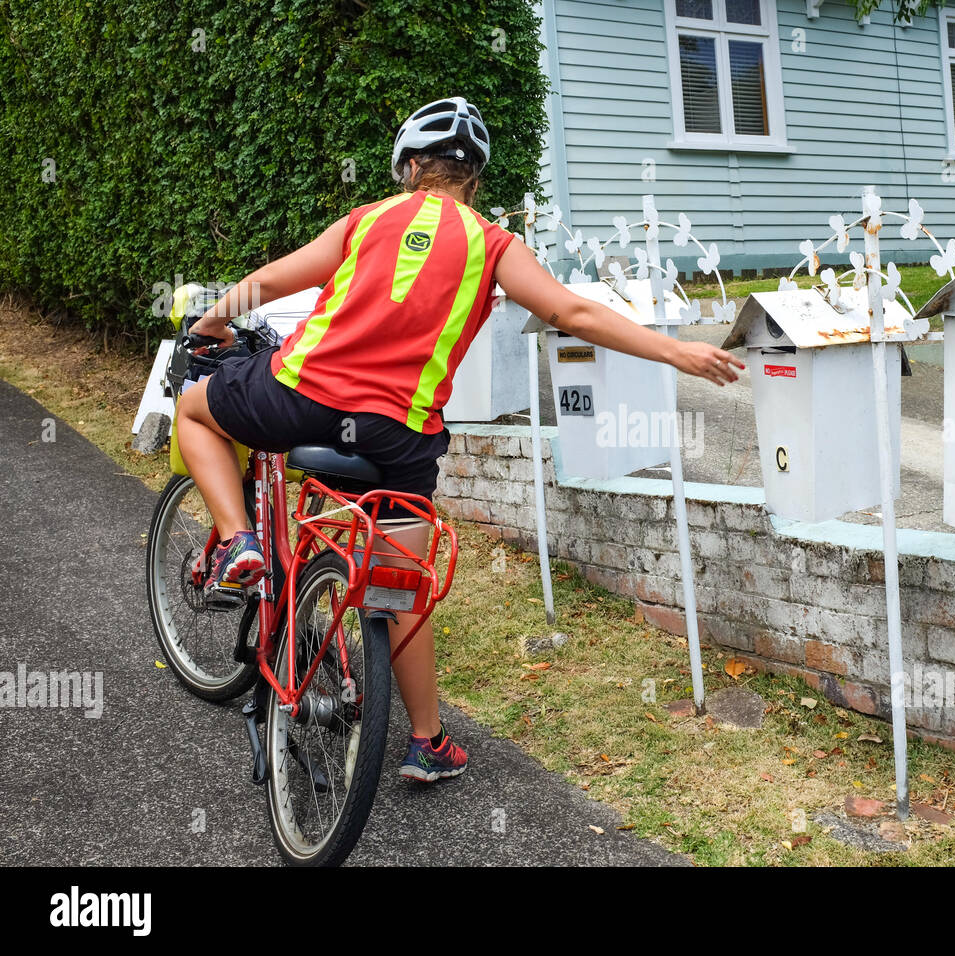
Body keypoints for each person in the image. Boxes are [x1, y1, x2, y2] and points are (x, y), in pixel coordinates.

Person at [176, 97, 744, 783]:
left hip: (304, 395)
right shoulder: (494, 243)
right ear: (472, 179)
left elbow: (268, 283)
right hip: (402, 435)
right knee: (400, 588)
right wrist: (676, 354)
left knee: (195, 411)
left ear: (412, 166)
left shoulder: (368, 219)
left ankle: (238, 542)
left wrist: (209, 325)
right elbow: (569, 310)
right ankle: (427, 742)